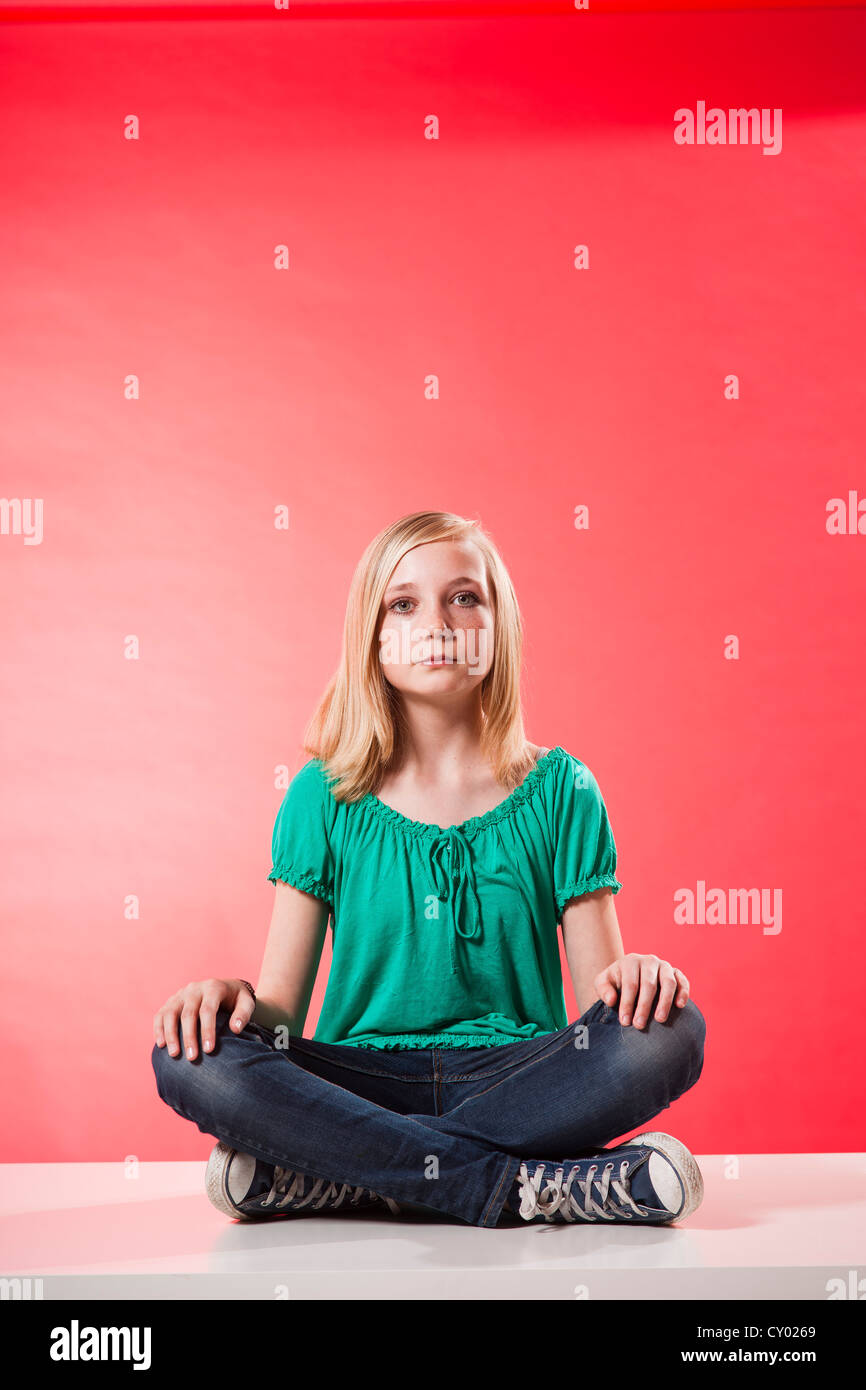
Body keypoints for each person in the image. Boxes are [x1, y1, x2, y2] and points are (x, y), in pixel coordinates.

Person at [151, 509, 707, 1228]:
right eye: (404, 603)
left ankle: (349, 1176)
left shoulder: (564, 789)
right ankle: (533, 1187)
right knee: (191, 1055)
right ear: (372, 637)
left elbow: (605, 1008)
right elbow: (281, 1015)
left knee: (673, 1029)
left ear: (497, 625)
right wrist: (229, 998)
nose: (438, 622)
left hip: (520, 1079)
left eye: (464, 597)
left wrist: (642, 979)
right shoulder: (323, 794)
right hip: (357, 1086)